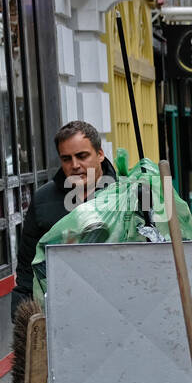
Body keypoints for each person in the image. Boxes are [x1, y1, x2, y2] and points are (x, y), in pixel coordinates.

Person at [11, 120, 117, 316]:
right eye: (66, 159)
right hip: (62, 314)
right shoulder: (43, 200)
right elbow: (27, 268)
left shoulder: (126, 196)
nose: (75, 165)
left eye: (82, 156)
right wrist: (24, 324)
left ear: (100, 154)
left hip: (118, 310)